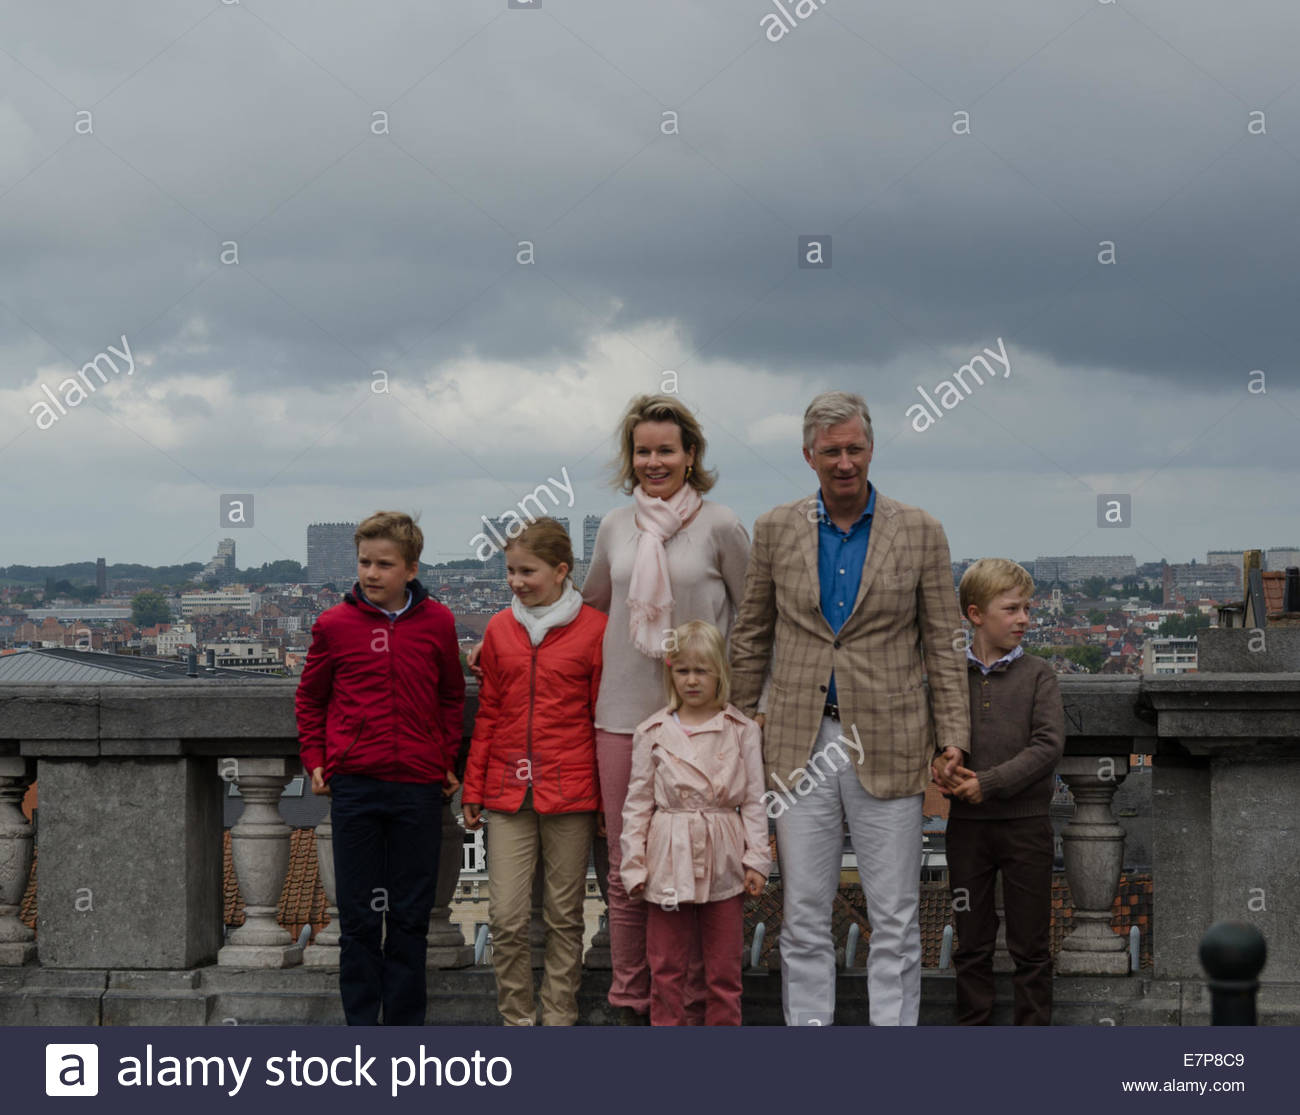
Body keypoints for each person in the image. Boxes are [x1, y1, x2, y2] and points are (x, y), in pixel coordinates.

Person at [469, 394, 750, 1024]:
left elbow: (754, 619)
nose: (654, 461)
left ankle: (695, 1002)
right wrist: (501, 650)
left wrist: (745, 705)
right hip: (620, 717)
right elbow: (586, 609)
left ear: (691, 455)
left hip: (699, 721)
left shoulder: (723, 526)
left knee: (701, 867)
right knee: (629, 870)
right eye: (643, 450)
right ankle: (631, 995)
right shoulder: (618, 527)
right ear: (631, 458)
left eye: (665, 450)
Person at [728, 390, 970, 1026]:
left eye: (854, 448)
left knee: (894, 914)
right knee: (803, 912)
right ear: (808, 456)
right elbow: (751, 636)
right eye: (831, 451)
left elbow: (945, 645)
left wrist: (954, 738)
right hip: (797, 744)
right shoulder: (776, 528)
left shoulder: (920, 531)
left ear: (872, 449)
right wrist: (733, 723)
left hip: (888, 743)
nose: (844, 461)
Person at [295, 511, 465, 1026]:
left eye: (384, 564)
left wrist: (445, 756)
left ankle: (406, 1030)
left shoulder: (438, 621)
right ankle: (363, 1030)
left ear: (411, 568)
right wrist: (316, 760)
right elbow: (311, 699)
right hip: (356, 786)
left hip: (417, 784)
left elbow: (451, 696)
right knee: (359, 921)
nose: (371, 573)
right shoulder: (334, 625)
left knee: (411, 918)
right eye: (364, 562)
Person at [461, 519, 607, 1026]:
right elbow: (490, 714)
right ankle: (517, 1019)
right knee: (505, 915)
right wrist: (473, 787)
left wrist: (606, 801)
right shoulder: (500, 628)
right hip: (506, 788)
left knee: (565, 916)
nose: (516, 582)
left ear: (561, 570)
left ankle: (559, 1016)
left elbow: (600, 722)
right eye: (510, 571)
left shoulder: (595, 629)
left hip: (571, 787)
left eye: (528, 571)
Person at [620, 621, 770, 1026]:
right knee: (667, 969)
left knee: (723, 972)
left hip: (724, 857)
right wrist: (633, 864)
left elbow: (755, 801)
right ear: (671, 673)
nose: (691, 680)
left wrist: (757, 859)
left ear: (720, 672)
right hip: (668, 854)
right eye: (683, 670)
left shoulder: (741, 732)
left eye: (701, 670)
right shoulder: (652, 732)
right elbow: (636, 804)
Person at [947, 558, 1065, 1025]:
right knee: (971, 941)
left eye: (1027, 609)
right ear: (976, 615)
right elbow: (936, 737)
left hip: (1026, 825)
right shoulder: (952, 676)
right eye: (1012, 609)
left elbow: (1048, 745)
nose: (1024, 620)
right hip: (967, 829)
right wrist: (943, 767)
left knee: (1031, 943)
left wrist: (988, 783)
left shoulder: (1039, 674)